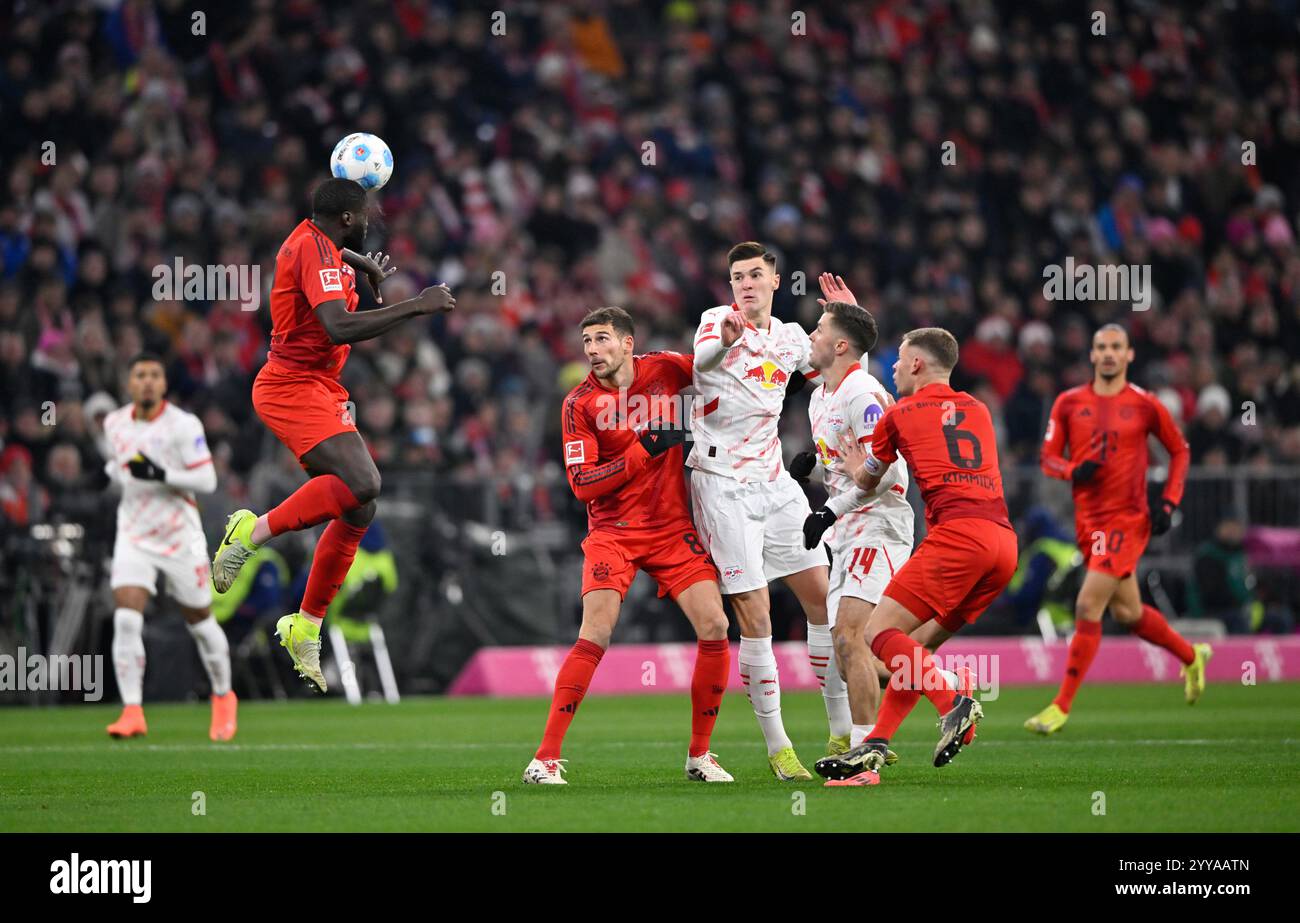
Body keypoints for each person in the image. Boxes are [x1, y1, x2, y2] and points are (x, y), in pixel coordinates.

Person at [209, 178, 454, 692]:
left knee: (359, 508)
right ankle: (249, 533)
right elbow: (339, 326)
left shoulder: (323, 244)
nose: (371, 219)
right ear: (347, 217)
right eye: (364, 212)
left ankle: (307, 624)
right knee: (366, 482)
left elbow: (325, 261)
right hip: (290, 386)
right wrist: (417, 305)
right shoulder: (314, 251)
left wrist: (355, 262)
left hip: (320, 385)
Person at [522, 306, 733, 784]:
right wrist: (644, 450)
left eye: (601, 339)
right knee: (595, 631)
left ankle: (700, 757)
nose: (593, 351)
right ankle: (544, 759)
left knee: (716, 624)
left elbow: (718, 369)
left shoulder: (665, 368)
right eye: (587, 342)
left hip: (670, 528)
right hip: (613, 532)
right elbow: (580, 484)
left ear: (627, 343)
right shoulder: (578, 403)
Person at [818, 327, 1017, 782]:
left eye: (898, 359)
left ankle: (953, 701)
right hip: (1003, 544)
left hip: (957, 539)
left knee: (877, 633)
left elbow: (869, 480)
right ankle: (874, 747)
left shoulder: (899, 412)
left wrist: (853, 467)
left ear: (916, 365)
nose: (891, 366)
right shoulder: (980, 409)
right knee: (914, 650)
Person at [686, 242, 832, 781]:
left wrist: (849, 321)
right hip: (721, 485)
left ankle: (844, 733)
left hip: (774, 484)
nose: (744, 284)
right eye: (736, 277)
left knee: (823, 599)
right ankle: (779, 747)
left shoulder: (792, 338)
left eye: (754, 275)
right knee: (756, 617)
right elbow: (702, 359)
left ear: (775, 281)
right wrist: (722, 346)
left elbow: (835, 367)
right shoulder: (715, 321)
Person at [1025, 324, 1210, 735]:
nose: (1108, 354)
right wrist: (1075, 469)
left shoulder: (1145, 404)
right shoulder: (1069, 402)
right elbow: (1047, 459)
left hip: (1128, 519)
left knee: (1088, 606)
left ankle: (1061, 705)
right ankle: (1192, 654)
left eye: (1116, 348)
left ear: (1129, 356)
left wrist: (1169, 501)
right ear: (1092, 356)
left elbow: (1180, 450)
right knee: (1128, 612)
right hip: (1088, 521)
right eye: (1101, 348)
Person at [101, 353, 235, 741]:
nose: (146, 381)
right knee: (126, 618)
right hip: (134, 533)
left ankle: (224, 697)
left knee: (201, 623)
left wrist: (161, 474)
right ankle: (132, 710)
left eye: (154, 375)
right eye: (139, 374)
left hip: (180, 536)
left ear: (163, 384)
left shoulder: (183, 424)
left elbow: (207, 480)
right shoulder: (114, 423)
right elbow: (117, 466)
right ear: (129, 383)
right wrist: (111, 473)